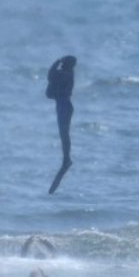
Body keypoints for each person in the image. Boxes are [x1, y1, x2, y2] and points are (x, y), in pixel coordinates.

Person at [46, 55, 76, 194]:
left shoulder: (67, 74)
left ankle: (66, 158)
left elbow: (51, 75)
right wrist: (59, 61)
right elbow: (51, 77)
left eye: (64, 63)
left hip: (64, 105)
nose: (62, 64)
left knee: (64, 133)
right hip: (62, 105)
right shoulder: (66, 73)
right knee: (63, 134)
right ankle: (66, 157)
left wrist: (57, 60)